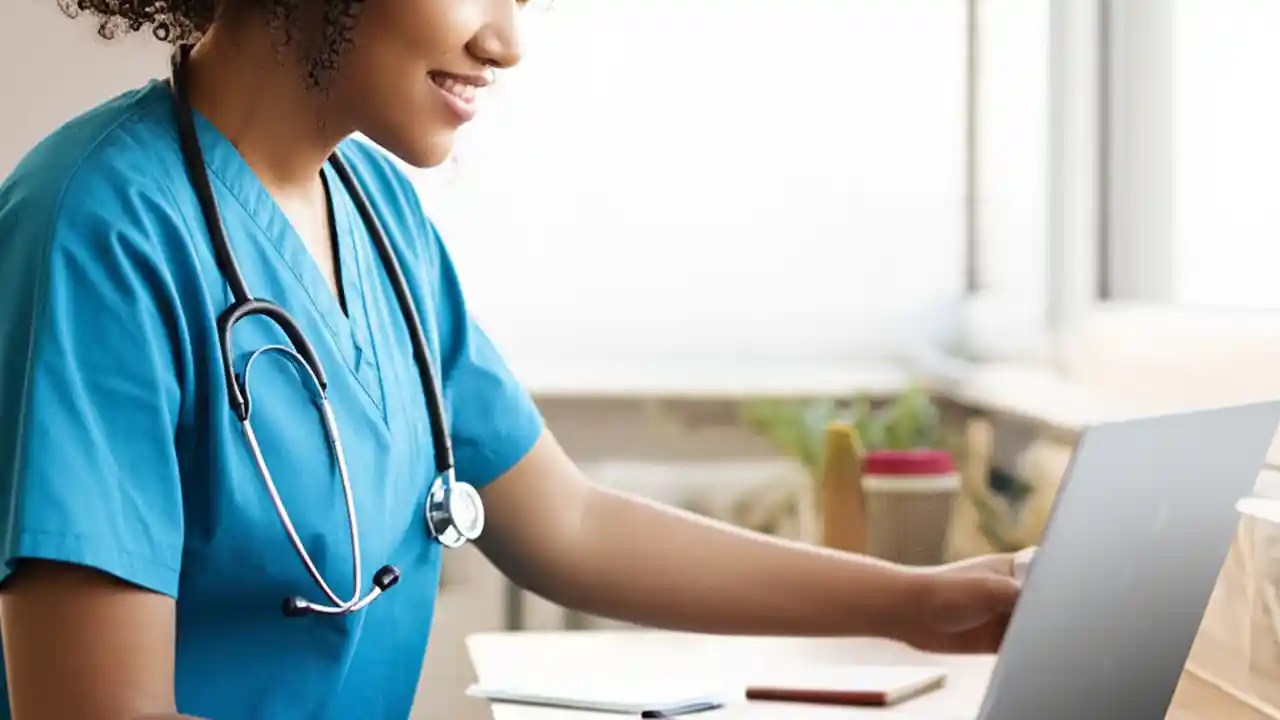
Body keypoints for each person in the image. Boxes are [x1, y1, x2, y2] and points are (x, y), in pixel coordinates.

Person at [0, 1, 1027, 718]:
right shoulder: (99, 231)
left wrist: (914, 603)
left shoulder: (379, 216)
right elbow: (102, 711)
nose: (508, 41)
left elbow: (566, 524)